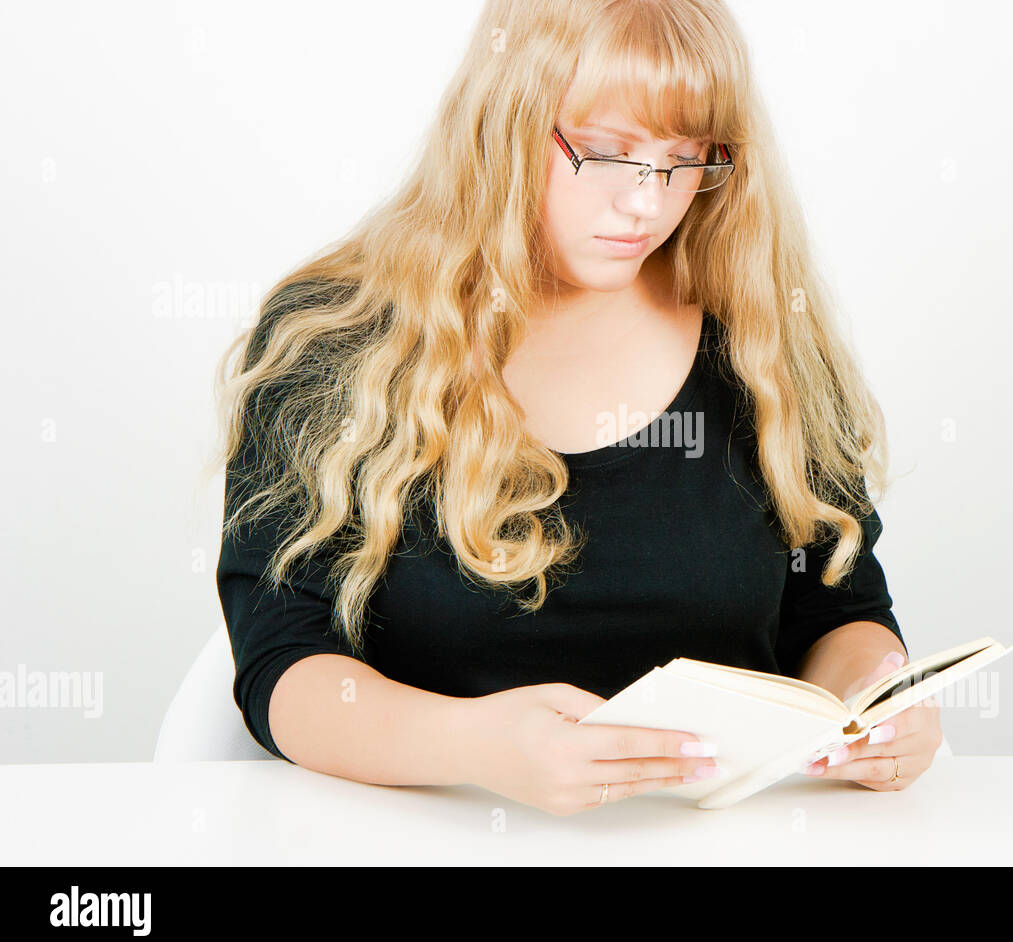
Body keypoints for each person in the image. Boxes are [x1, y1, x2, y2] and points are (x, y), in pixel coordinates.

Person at [208, 0, 942, 817]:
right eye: (605, 154)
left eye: (685, 159)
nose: (647, 205)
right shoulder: (341, 336)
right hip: (418, 836)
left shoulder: (762, 337)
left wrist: (879, 703)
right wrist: (475, 744)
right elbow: (282, 660)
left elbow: (842, 611)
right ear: (503, 122)